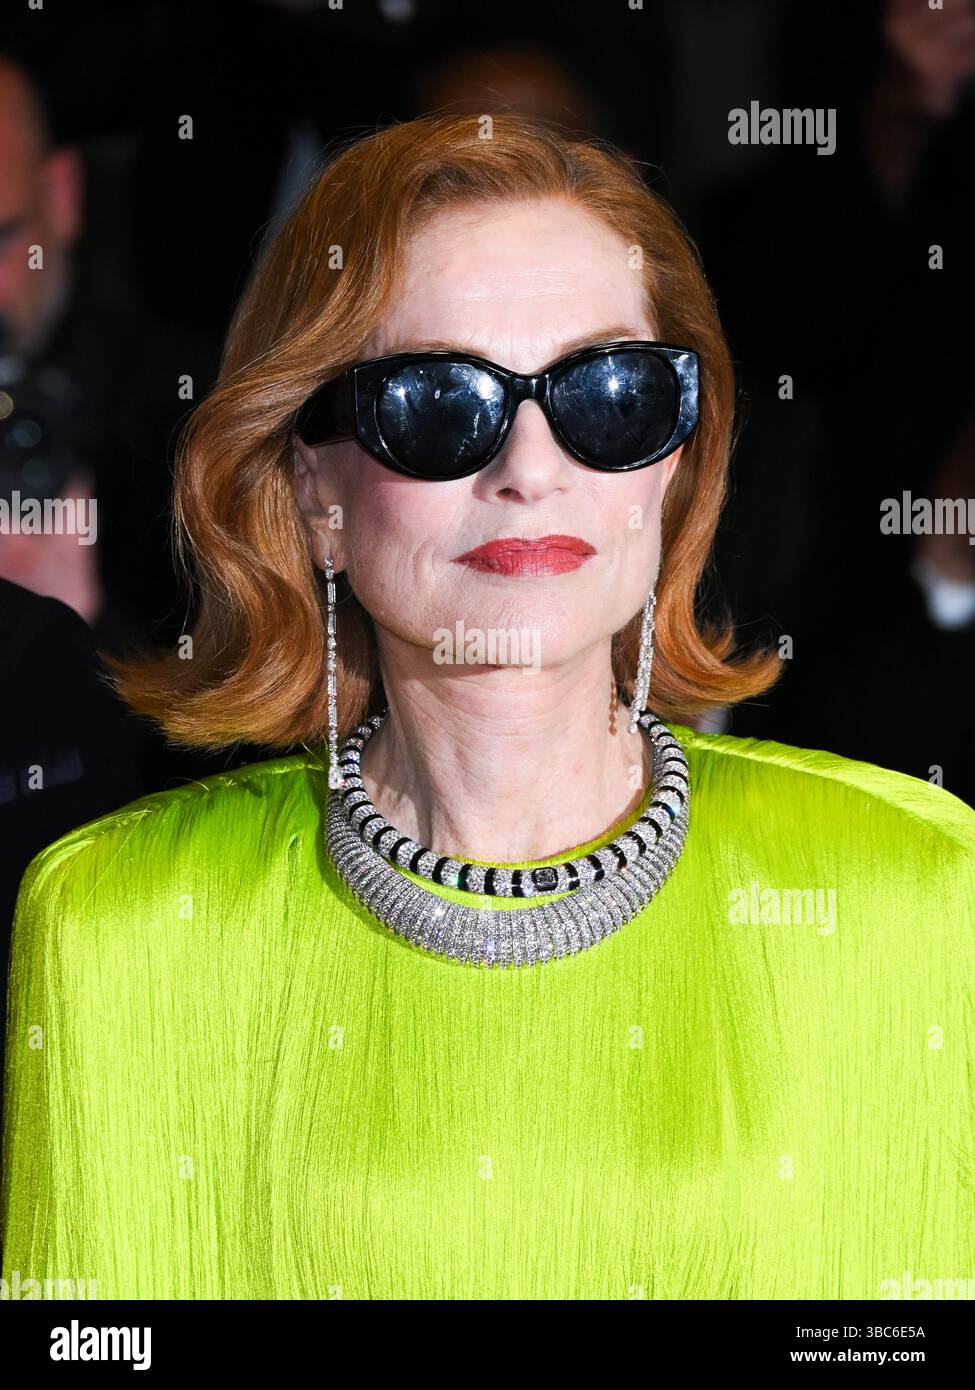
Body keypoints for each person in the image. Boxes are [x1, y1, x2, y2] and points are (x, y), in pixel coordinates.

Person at [2, 113, 973, 1301]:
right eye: (435, 401)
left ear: (673, 464)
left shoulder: (914, 886)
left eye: (611, 394)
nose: (529, 463)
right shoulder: (119, 923)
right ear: (316, 490)